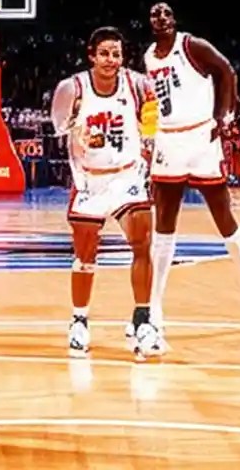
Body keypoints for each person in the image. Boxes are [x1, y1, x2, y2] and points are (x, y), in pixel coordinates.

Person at [142, 1, 240, 335]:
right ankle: (154, 305)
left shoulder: (191, 45)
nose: (161, 18)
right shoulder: (149, 57)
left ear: (174, 19)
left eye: (167, 13)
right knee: (163, 224)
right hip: (168, 140)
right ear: (149, 22)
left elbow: (226, 70)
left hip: (200, 136)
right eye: (155, 14)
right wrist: (148, 136)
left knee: (223, 216)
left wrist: (224, 116)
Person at [48, 26, 158, 361]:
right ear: (91, 55)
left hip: (127, 176)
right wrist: (81, 131)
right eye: (105, 53)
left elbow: (151, 127)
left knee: (143, 241)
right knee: (85, 254)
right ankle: (79, 320)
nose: (111, 60)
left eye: (116, 53)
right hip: (90, 180)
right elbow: (59, 127)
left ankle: (143, 320)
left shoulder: (139, 85)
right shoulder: (73, 88)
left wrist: (148, 156)